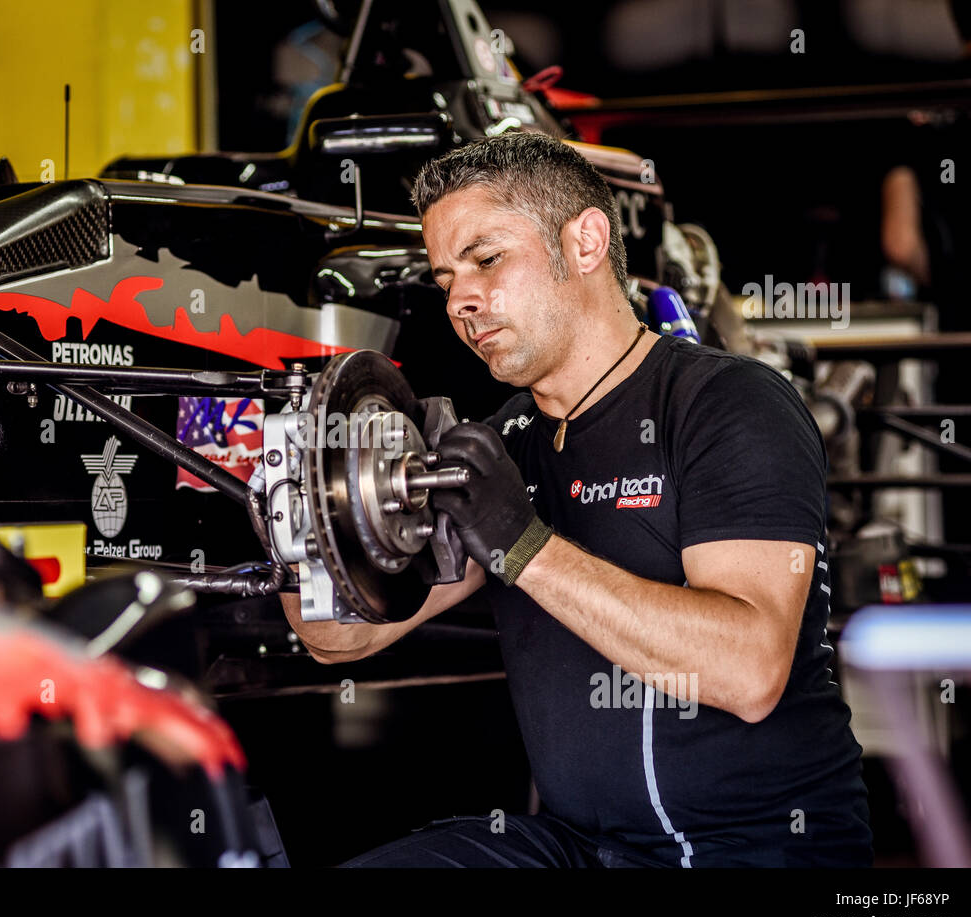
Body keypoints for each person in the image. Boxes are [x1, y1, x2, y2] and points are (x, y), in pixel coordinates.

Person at [283, 131, 873, 867]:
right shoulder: (509, 442)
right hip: (584, 851)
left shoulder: (728, 403)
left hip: (758, 850)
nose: (462, 300)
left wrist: (522, 544)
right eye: (444, 281)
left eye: (487, 259)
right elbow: (340, 636)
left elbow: (749, 671)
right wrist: (292, 497)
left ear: (586, 241)